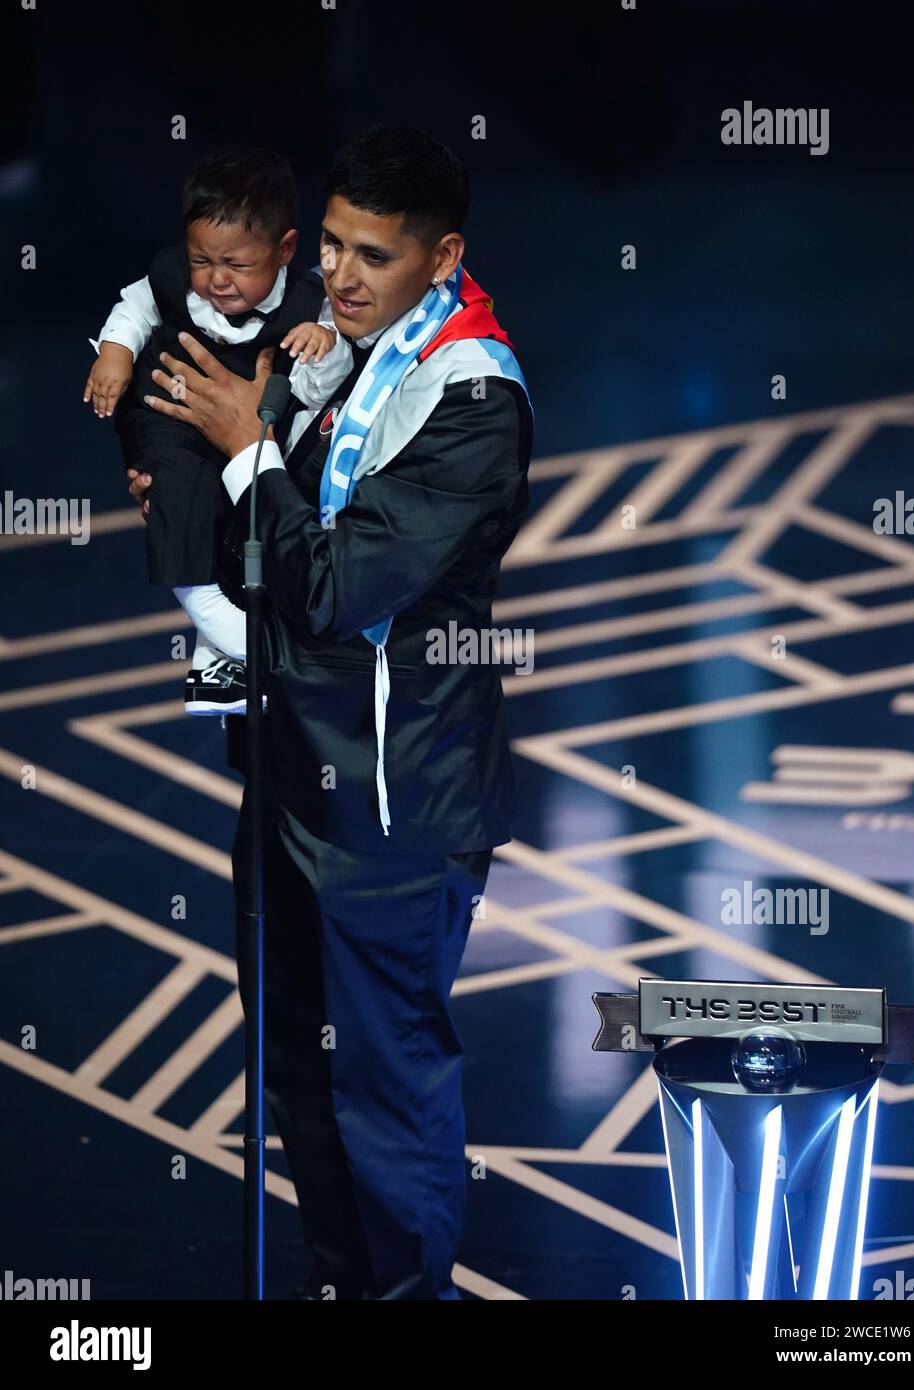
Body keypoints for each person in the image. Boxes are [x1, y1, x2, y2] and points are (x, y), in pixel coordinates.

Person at [129, 123, 533, 1300]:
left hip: (394, 813)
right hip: (296, 771)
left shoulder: (472, 402)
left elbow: (339, 583)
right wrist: (195, 492)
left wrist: (245, 450)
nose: (342, 279)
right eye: (335, 250)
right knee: (304, 1087)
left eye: (375, 257)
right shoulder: (346, 350)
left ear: (442, 255)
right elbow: (274, 540)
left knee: (382, 1092)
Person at [84, 145, 352, 713]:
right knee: (176, 486)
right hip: (170, 413)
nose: (217, 280)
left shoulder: (312, 306)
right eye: (202, 260)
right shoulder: (173, 276)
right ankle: (203, 600)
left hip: (254, 431)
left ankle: (238, 619)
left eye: (236, 265)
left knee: (259, 495)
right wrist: (113, 352)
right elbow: (135, 307)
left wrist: (323, 348)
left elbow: (317, 391)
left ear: (284, 251)